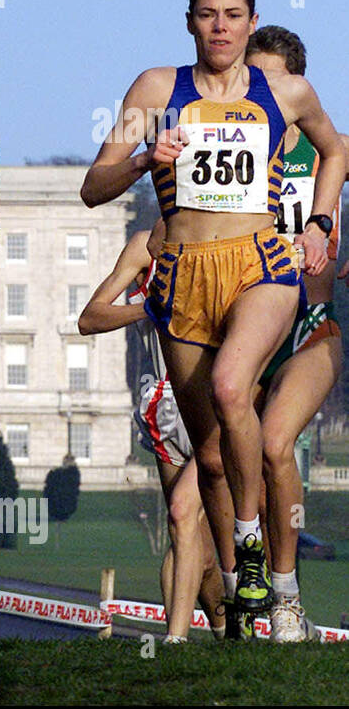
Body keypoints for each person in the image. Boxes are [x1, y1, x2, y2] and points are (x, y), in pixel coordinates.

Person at [81, 0, 345, 618]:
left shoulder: (286, 92)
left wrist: (320, 223)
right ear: (190, 21)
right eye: (207, 14)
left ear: (252, 22)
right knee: (209, 453)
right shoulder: (155, 88)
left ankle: (253, 548)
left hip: (259, 265)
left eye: (233, 15)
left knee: (233, 387)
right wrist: (145, 160)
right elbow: (94, 187)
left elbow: (335, 152)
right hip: (184, 275)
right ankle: (232, 590)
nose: (220, 26)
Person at [79, 222, 226, 642]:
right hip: (165, 405)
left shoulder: (225, 237)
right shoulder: (144, 247)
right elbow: (89, 318)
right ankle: (210, 636)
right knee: (193, 539)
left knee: (188, 518)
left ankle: (187, 638)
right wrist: (147, 310)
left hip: (218, 406)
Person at [246, 26, 345, 643]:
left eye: (275, 81)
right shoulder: (228, 146)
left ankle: (287, 599)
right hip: (246, 322)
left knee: (276, 443)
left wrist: (322, 234)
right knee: (223, 467)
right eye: (253, 81)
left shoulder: (330, 152)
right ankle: (232, 605)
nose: (263, 94)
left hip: (312, 324)